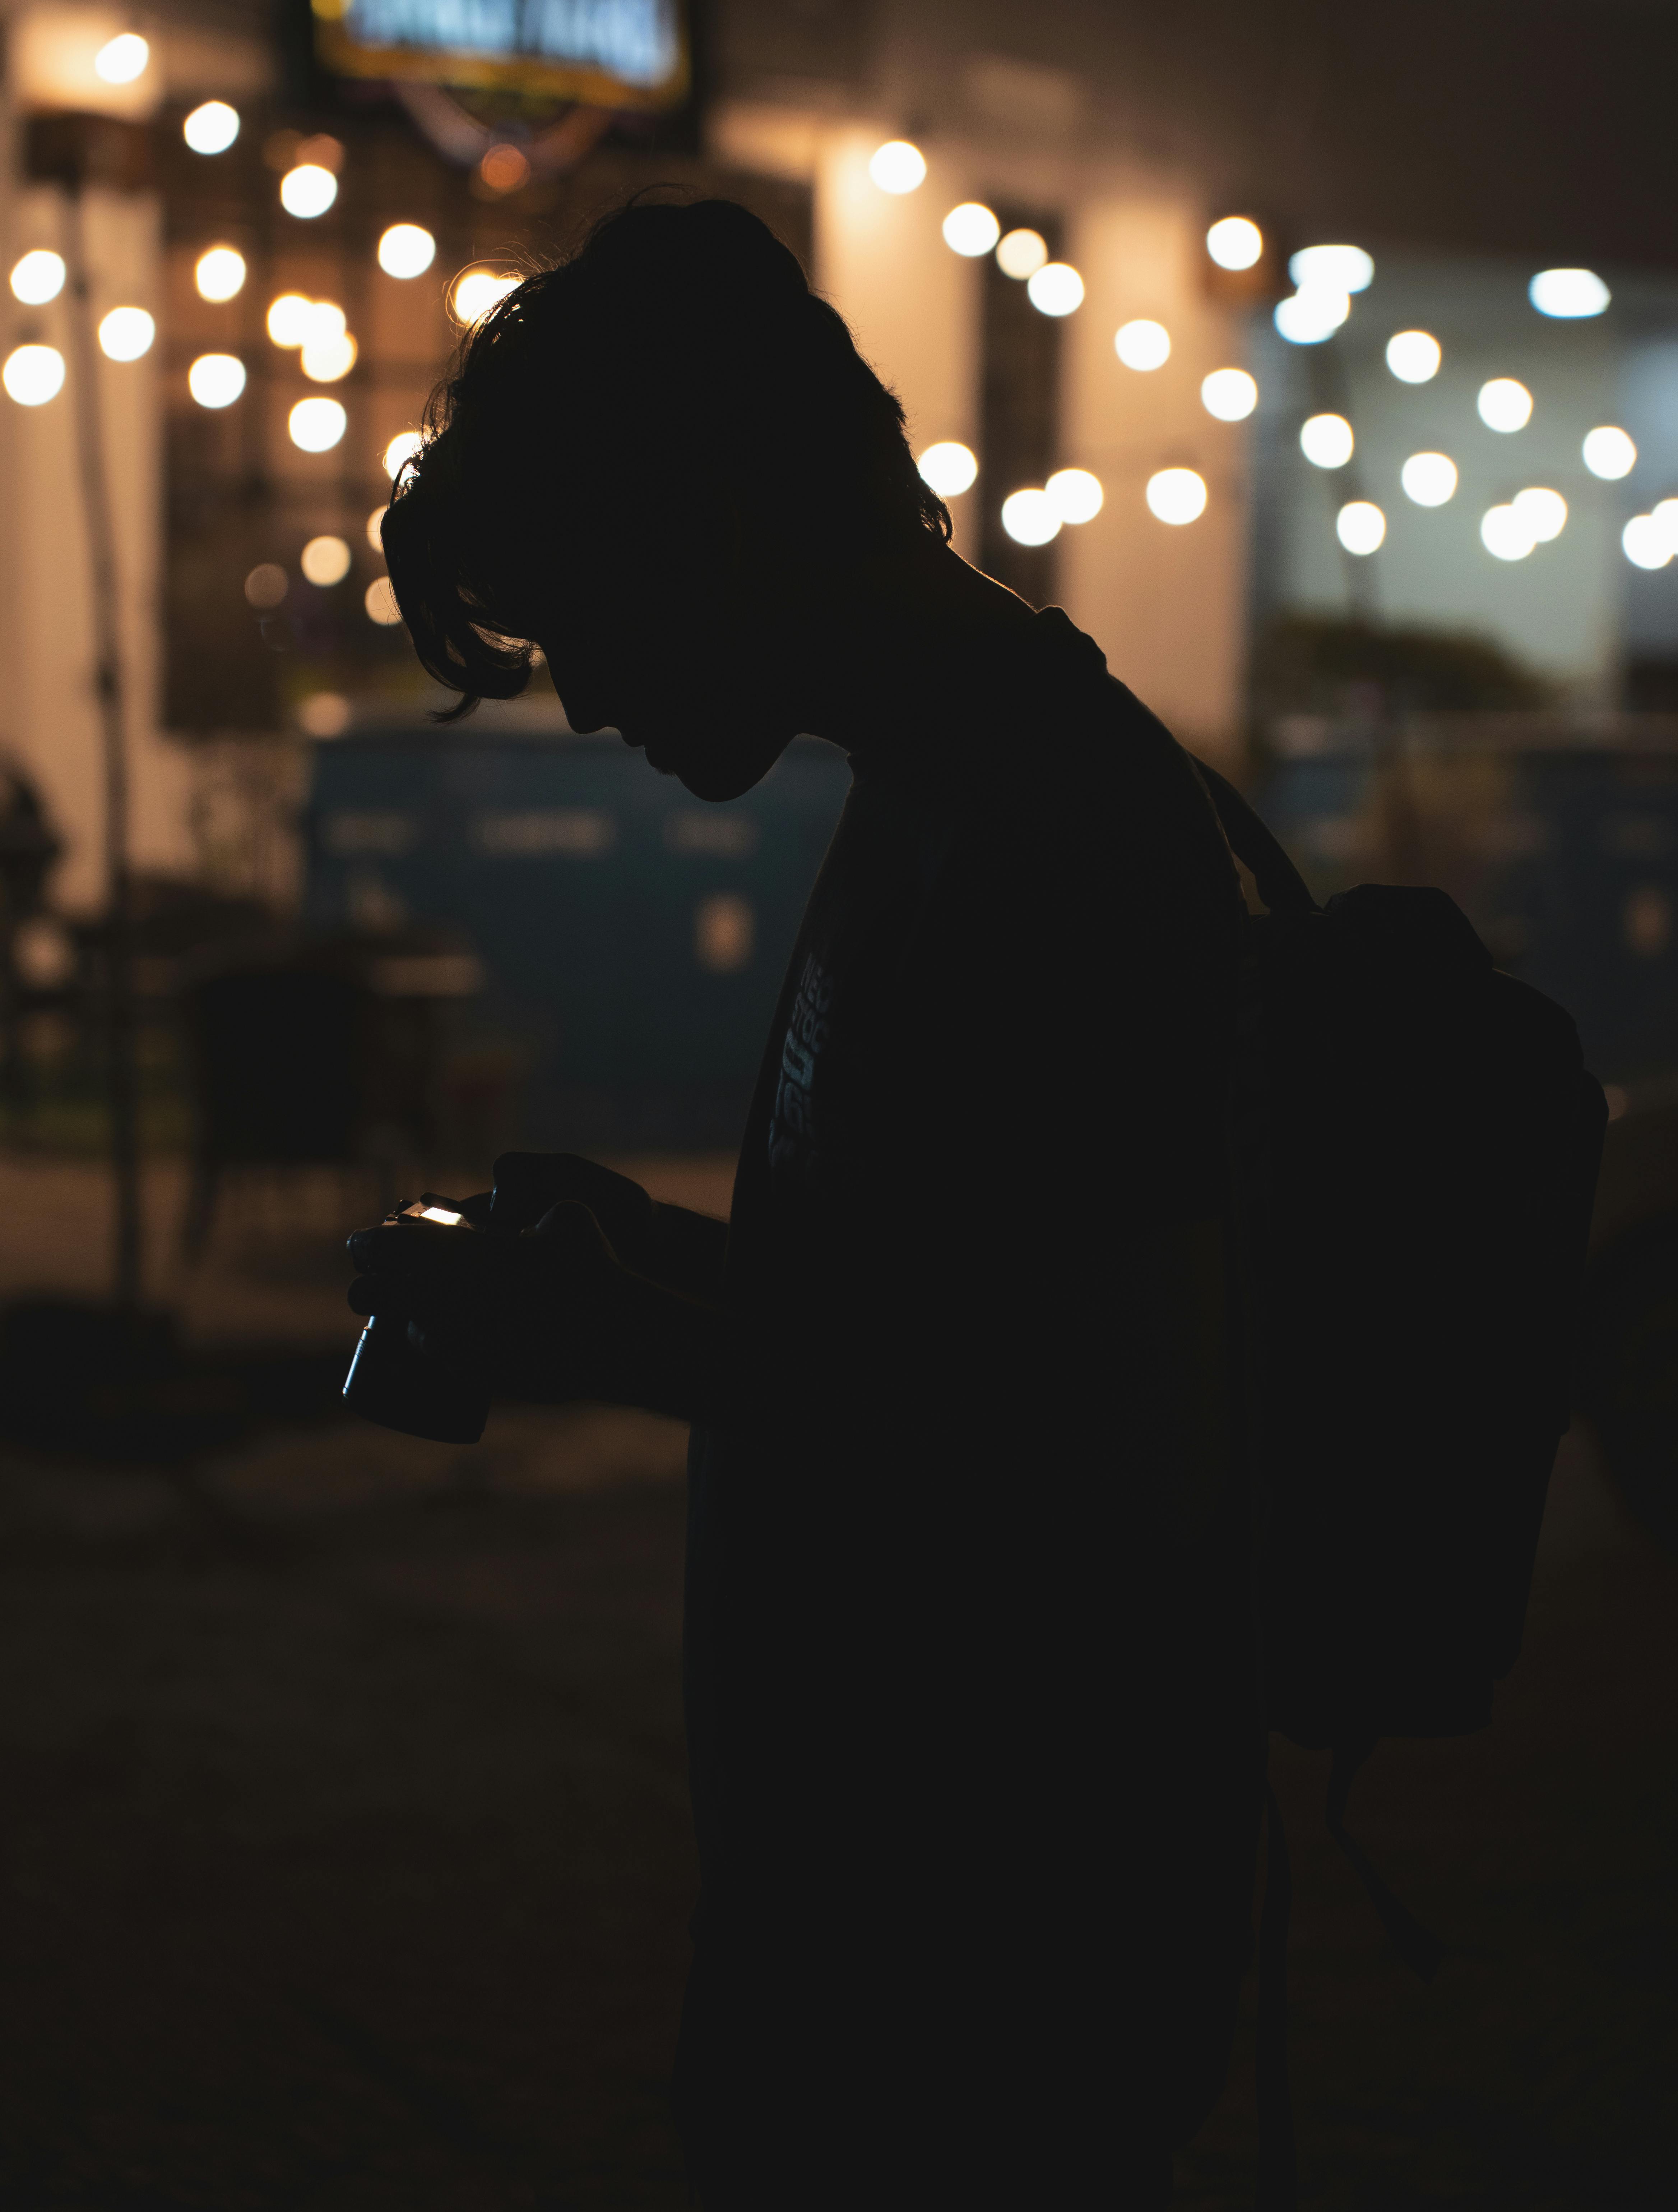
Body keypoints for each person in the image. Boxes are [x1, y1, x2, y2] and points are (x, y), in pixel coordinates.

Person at [347, 198, 1263, 2208]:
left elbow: (1098, 1454)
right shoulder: (958, 782)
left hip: (989, 1941)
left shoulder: (1049, 833)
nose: (584, 703)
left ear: (705, 529)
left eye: (583, 612)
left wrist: (633, 1341)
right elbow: (937, 1305)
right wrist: (657, 1265)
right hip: (891, 1900)